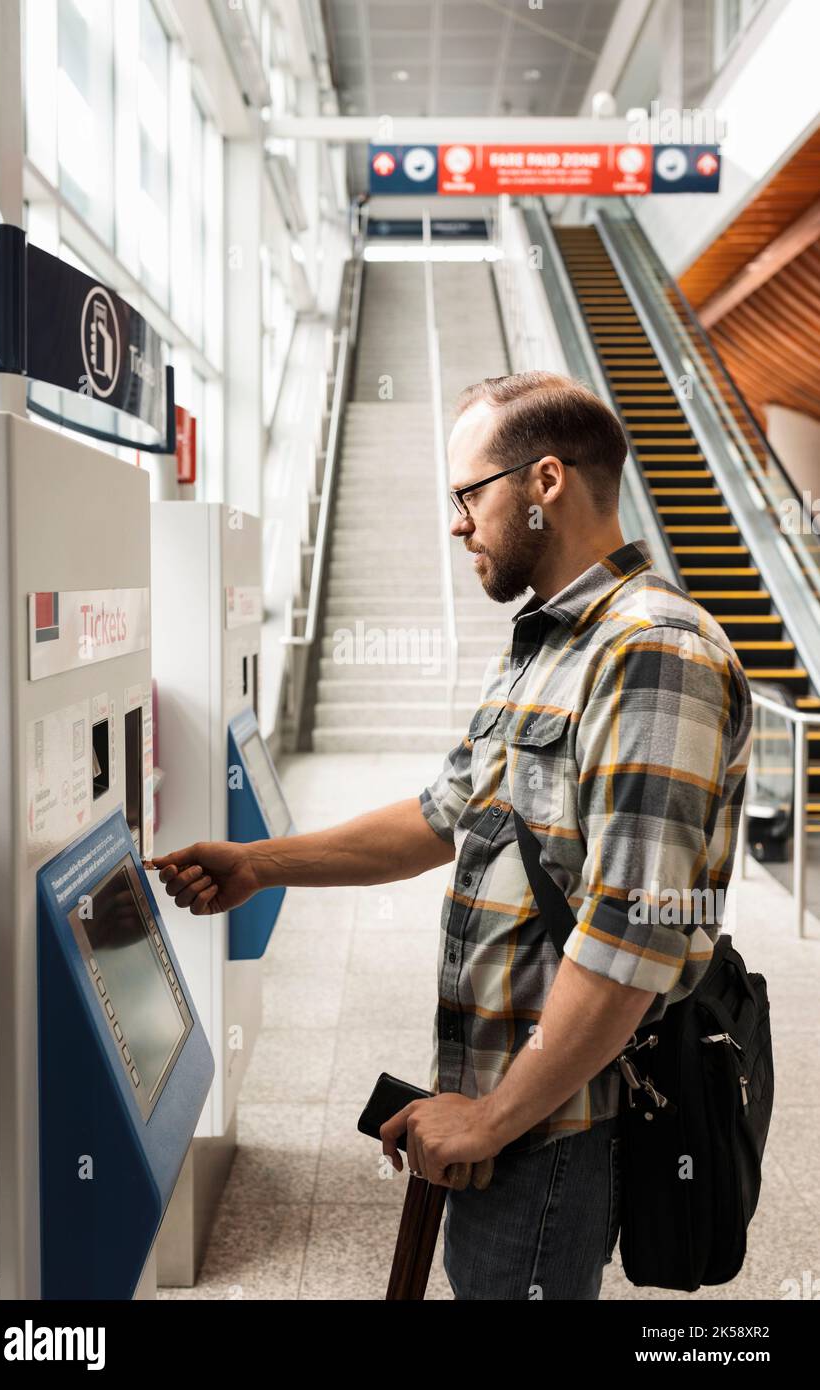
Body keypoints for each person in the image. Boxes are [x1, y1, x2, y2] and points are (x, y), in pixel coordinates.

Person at [151, 370, 753, 1300]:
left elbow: (636, 933)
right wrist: (258, 866)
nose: (457, 522)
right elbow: (441, 816)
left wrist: (490, 1121)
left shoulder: (653, 652)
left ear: (545, 481)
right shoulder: (549, 647)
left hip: (557, 1121)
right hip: (510, 1100)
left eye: (470, 494)